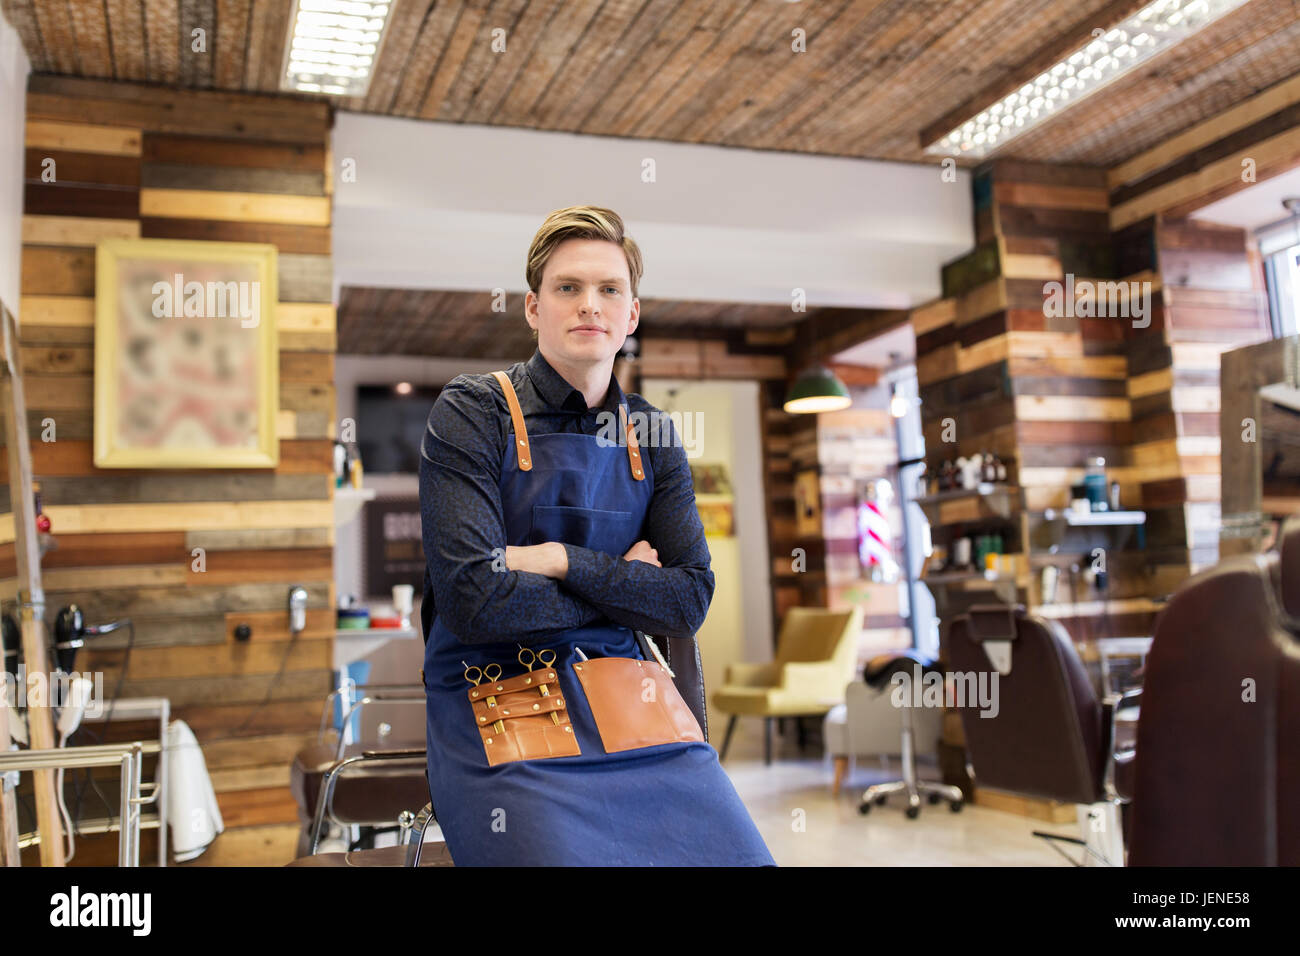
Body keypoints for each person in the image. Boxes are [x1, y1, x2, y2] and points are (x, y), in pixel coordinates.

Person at [418, 205, 775, 866]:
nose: (590, 304)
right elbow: (473, 601)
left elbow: (687, 601)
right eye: (568, 287)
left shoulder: (654, 433)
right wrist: (624, 584)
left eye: (609, 289)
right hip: (500, 691)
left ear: (631, 314)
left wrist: (559, 560)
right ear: (534, 308)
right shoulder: (473, 411)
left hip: (626, 690)